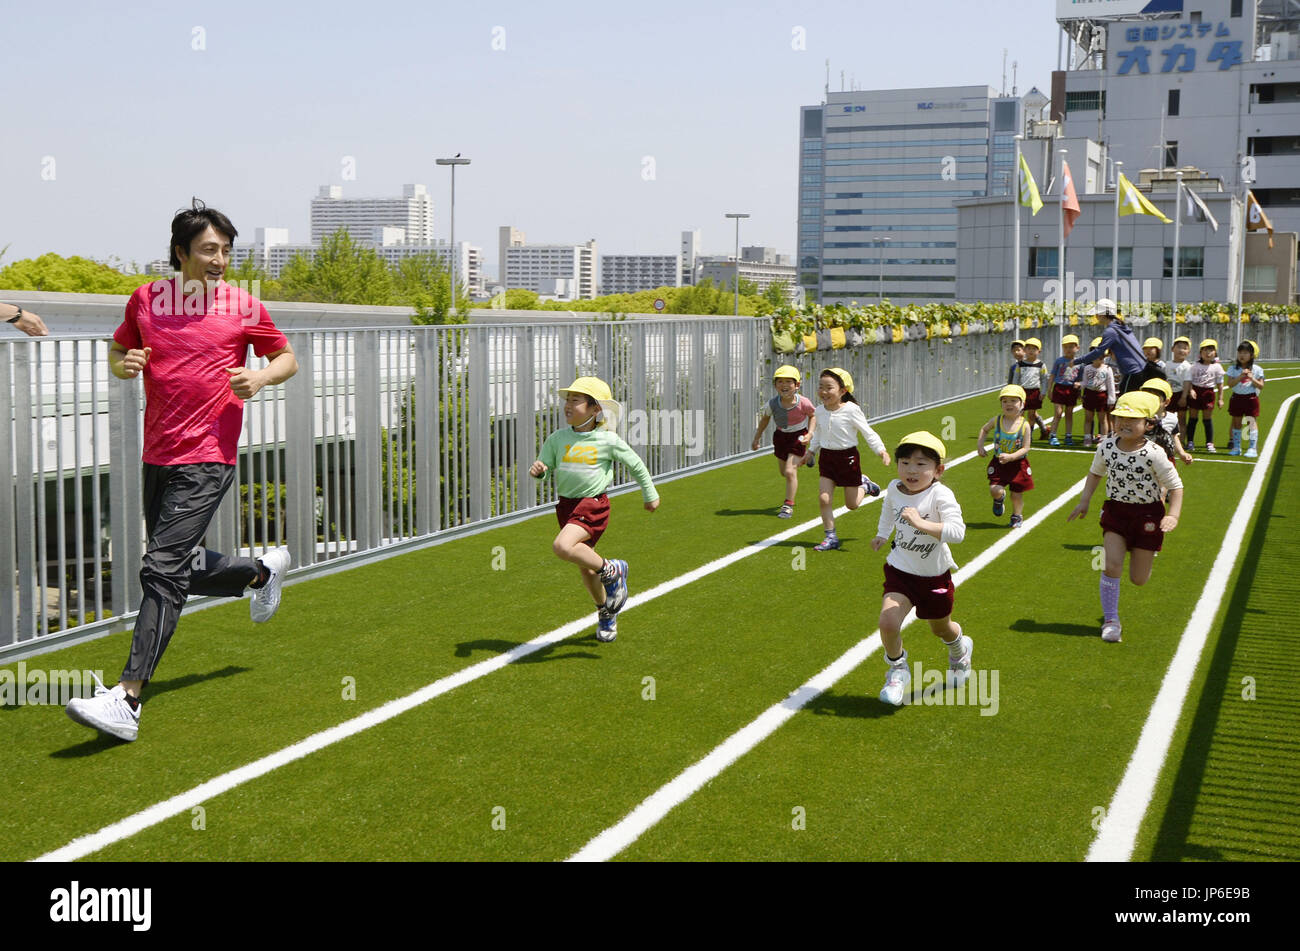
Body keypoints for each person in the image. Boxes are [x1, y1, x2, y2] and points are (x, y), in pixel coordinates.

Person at [65, 200, 297, 742]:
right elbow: (119, 349)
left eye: (226, 251)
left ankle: (127, 698)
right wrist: (126, 366)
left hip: (209, 455)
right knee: (179, 567)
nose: (219, 260)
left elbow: (286, 358)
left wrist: (260, 380)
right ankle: (261, 572)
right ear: (180, 253)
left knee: (161, 570)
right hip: (158, 453)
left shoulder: (244, 305)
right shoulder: (146, 300)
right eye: (208, 250)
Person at [529, 376, 659, 642]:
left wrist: (650, 494)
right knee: (586, 569)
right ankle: (606, 612)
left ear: (595, 409)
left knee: (562, 547)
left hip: (593, 505)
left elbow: (636, 466)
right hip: (566, 507)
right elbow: (546, 467)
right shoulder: (557, 439)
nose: (568, 405)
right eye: (567, 400)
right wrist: (539, 472)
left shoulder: (607, 440)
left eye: (575, 401)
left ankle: (613, 570)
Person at [1067, 391, 1183, 643]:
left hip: (1148, 515)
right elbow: (1095, 473)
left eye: (1132, 420)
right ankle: (1111, 620)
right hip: (1116, 512)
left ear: (1148, 424)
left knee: (1138, 579)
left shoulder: (1155, 453)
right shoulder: (1107, 446)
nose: (1123, 424)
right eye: (1119, 418)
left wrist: (1173, 514)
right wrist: (1085, 501)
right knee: (1111, 565)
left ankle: (1143, 550)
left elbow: (1176, 486)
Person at [871, 432, 969, 705]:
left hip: (933, 577)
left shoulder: (940, 494)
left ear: (938, 470)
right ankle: (897, 670)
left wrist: (920, 523)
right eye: (905, 462)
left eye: (920, 464)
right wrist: (882, 534)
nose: (911, 470)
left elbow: (957, 532)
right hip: (899, 571)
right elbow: (889, 509)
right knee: (888, 622)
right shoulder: (894, 487)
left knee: (941, 629)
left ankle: (959, 652)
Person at [803, 367, 890, 551]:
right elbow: (819, 433)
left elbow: (868, 433)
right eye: (821, 387)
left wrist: (881, 450)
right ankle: (831, 537)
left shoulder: (852, 410)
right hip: (827, 458)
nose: (823, 392)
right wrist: (811, 451)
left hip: (848, 458)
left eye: (829, 387)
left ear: (843, 391)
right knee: (824, 499)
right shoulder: (819, 411)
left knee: (852, 505)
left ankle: (865, 485)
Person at [751, 364, 816, 518]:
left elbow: (813, 415)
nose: (784, 385)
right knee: (783, 473)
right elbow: (764, 420)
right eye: (780, 382)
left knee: (789, 471)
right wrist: (756, 438)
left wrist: (810, 433)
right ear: (775, 385)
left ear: (797, 385)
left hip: (799, 437)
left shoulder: (804, 402)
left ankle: (788, 505)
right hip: (780, 438)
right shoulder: (772, 404)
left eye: (789, 382)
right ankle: (808, 457)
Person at [1071, 298, 1161, 394]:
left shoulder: (1111, 331)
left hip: (1132, 372)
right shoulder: (1120, 325)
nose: (1096, 316)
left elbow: (1098, 352)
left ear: (1102, 315)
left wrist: (1076, 361)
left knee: (1125, 402)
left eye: (1097, 314)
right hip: (1140, 369)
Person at [977, 384, 1034, 529]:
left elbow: (1026, 447)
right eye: (1005, 401)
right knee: (994, 490)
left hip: (1018, 465)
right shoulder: (997, 420)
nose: (1009, 404)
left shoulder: (1024, 425)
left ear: (1022, 404)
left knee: (1016, 495)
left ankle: (1017, 516)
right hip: (999, 463)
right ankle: (999, 499)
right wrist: (980, 446)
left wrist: (1012, 456)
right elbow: (984, 429)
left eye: (1013, 401)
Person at [1138, 378, 1194, 471]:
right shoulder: (1138, 417)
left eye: (1155, 399)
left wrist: (1181, 453)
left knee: (1168, 484)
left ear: (1166, 402)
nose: (1150, 402)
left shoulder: (1172, 418)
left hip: (1166, 459)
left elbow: (1174, 436)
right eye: (1146, 398)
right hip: (1143, 458)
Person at [1184, 338, 1225, 453]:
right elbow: (1189, 379)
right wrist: (1191, 390)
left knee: (1207, 419)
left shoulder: (1217, 367)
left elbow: (1220, 384)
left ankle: (1209, 443)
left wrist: (1221, 399)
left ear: (1215, 353)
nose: (1208, 353)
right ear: (1200, 353)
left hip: (1208, 393)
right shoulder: (1195, 366)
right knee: (1193, 418)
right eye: (1205, 350)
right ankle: (1190, 441)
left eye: (1211, 350)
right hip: (1196, 392)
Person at [1226, 340, 1265, 458]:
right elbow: (1230, 384)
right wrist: (1240, 376)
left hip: (1250, 398)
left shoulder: (1257, 369)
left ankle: (1252, 448)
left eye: (1245, 353)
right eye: (1240, 352)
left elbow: (1261, 386)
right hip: (1237, 398)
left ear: (1251, 355)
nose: (1242, 355)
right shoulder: (1233, 368)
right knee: (1237, 423)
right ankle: (1236, 447)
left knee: (1251, 422)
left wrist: (1252, 378)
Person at [1008, 336, 1050, 440]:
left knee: (1031, 415)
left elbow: (1044, 379)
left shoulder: (1041, 365)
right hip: (1022, 392)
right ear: (1025, 350)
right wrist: (1014, 391)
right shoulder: (1020, 365)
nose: (1031, 351)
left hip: (1034, 392)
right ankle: (1020, 434)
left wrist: (1043, 392)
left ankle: (1029, 435)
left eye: (1034, 349)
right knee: (1019, 414)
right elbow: (1016, 378)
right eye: (1028, 348)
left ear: (1039, 351)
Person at [1047, 333, 1083, 446]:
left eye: (1071, 347)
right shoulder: (1059, 361)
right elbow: (1052, 375)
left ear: (1077, 348)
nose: (1068, 349)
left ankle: (1068, 436)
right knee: (1058, 413)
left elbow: (1080, 379)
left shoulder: (1080, 363)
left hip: (1071, 389)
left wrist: (1079, 391)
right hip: (1059, 388)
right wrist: (1049, 389)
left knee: (1069, 413)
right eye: (1066, 347)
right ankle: (1052, 435)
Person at [1080, 339, 1117, 447]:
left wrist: (1111, 399)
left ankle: (1103, 439)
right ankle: (1087, 437)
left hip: (1101, 395)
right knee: (1088, 418)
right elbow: (1085, 382)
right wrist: (1079, 386)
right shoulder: (1087, 368)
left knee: (1102, 419)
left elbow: (1110, 385)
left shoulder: (1107, 369)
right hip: (1089, 394)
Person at [1166, 335, 1193, 437]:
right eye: (1179, 347)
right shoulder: (1167, 364)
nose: (1181, 350)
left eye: (1185, 348)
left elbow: (1187, 382)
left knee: (1181, 419)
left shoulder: (1187, 366)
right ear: (1172, 349)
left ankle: (1181, 441)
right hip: (1169, 395)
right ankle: (1167, 438)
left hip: (1180, 394)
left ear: (1188, 352)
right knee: (1168, 418)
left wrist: (1183, 397)